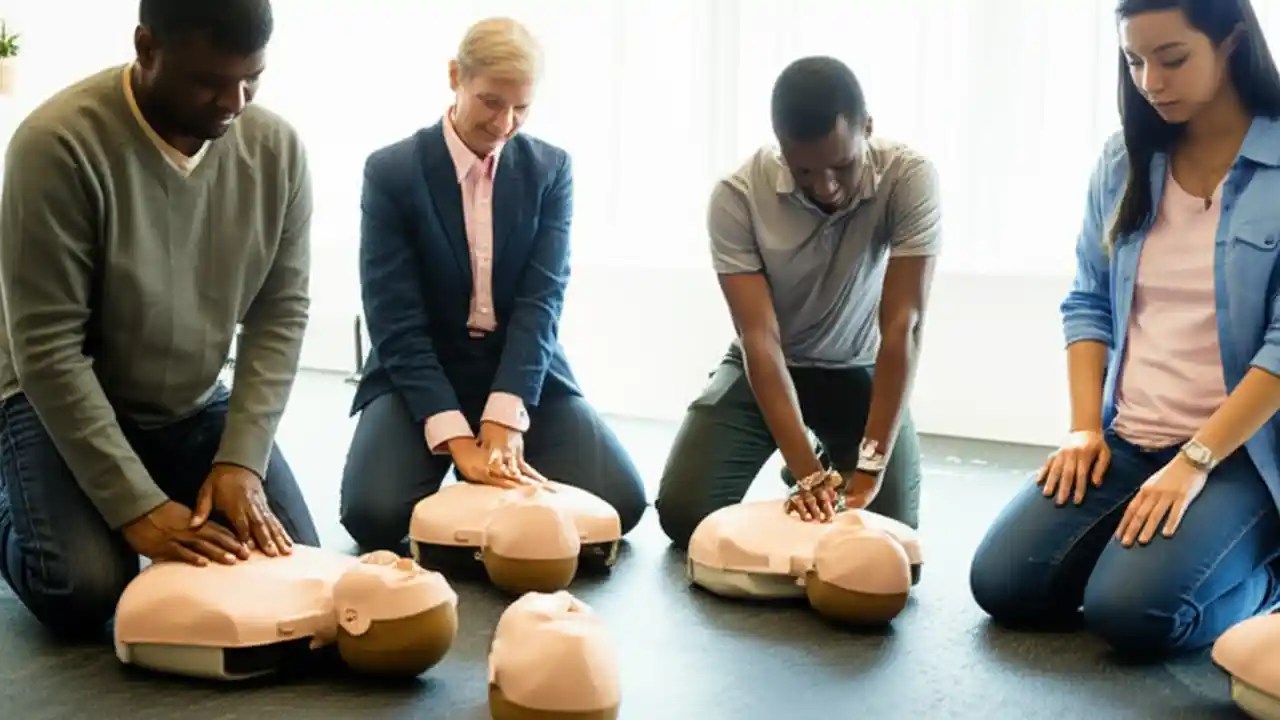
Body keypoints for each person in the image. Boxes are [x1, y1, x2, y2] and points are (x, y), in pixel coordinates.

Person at [0, 0, 320, 640]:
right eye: (209, 81)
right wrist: (135, 506)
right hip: (47, 398)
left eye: (250, 77)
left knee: (290, 560)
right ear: (146, 48)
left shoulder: (277, 150)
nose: (233, 101)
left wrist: (241, 463)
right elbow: (48, 348)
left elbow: (280, 315)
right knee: (84, 587)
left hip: (190, 400)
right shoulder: (55, 145)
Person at [969, 0, 1280, 659]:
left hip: (1243, 456)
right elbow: (1088, 301)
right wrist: (1085, 428)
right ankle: (1171, 554)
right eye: (1134, 61)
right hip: (1132, 437)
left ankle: (1265, 575)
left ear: (1230, 43)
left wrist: (1196, 460)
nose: (1150, 82)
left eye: (1172, 59)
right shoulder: (1124, 161)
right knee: (1003, 584)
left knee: (1132, 613)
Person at [340, 17, 648, 552]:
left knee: (621, 500)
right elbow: (394, 319)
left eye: (521, 107)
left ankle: (485, 490)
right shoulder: (391, 172)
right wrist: (458, 439)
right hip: (421, 368)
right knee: (373, 516)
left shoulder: (550, 170)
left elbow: (541, 300)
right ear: (456, 76)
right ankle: (478, 480)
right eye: (490, 102)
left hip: (519, 365)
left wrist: (505, 416)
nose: (506, 123)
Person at [654, 56, 941, 548]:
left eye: (842, 166)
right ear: (780, 145)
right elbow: (758, 339)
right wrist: (809, 474)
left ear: (867, 128)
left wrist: (871, 464)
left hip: (859, 367)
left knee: (889, 530)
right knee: (685, 515)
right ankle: (806, 455)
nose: (826, 186)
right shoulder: (736, 196)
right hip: (765, 365)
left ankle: (826, 456)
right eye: (805, 170)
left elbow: (903, 326)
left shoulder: (909, 177)